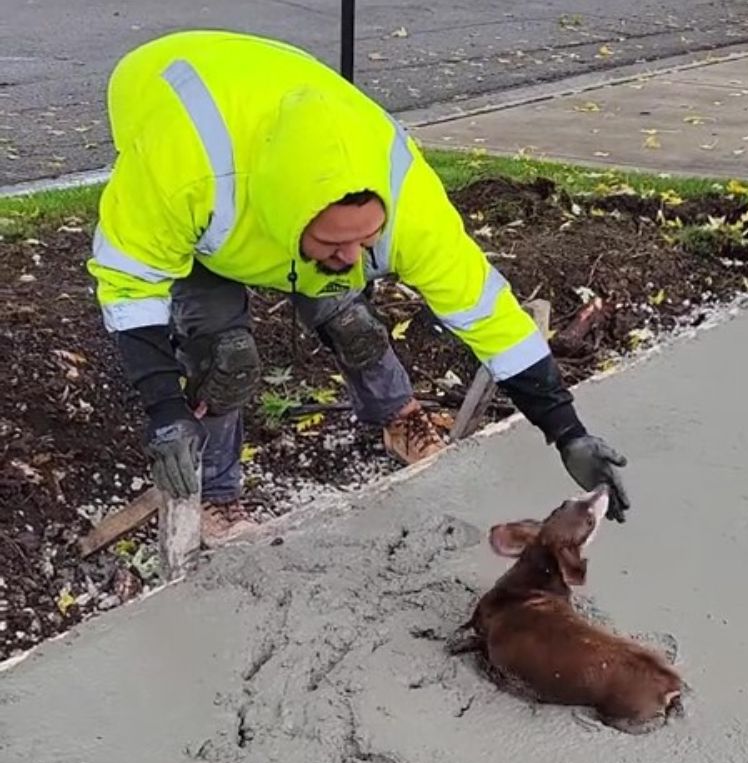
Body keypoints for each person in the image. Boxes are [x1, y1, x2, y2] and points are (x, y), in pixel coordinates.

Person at [86, 29, 632, 544]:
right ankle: (218, 492)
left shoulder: (406, 202)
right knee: (225, 355)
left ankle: (399, 421)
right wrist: (165, 413)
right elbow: (132, 289)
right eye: (334, 245)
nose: (354, 258)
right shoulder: (183, 169)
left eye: (366, 240)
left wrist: (568, 431)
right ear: (287, 220)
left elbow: (487, 313)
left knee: (351, 320)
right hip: (176, 124)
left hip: (279, 154)